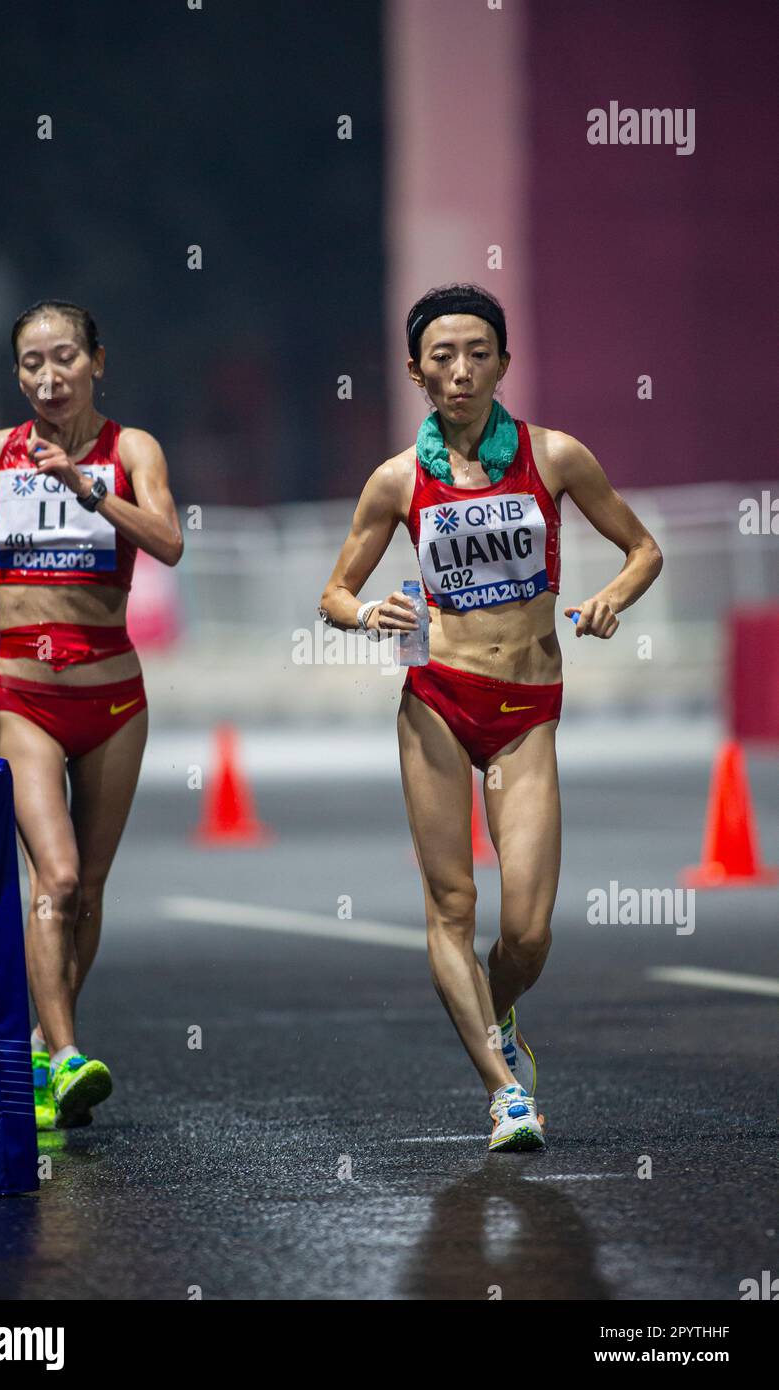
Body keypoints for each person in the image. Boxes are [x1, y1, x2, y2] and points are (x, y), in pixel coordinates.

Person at [319, 283, 663, 1151]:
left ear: (505, 363)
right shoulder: (397, 480)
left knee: (528, 930)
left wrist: (612, 597)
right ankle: (504, 1090)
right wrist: (368, 617)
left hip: (526, 711)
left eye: (478, 353)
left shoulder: (554, 458)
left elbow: (643, 547)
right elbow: (334, 592)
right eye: (442, 357)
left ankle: (496, 1014)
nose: (461, 371)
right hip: (436, 698)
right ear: (415, 372)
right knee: (451, 906)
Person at [0, 299, 184, 1130]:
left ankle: (41, 1047)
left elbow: (169, 542)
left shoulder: (130, 450)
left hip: (113, 699)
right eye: (31, 364)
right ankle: (68, 1055)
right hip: (23, 697)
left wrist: (87, 490)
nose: (47, 377)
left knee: (90, 890)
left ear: (97, 362)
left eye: (64, 358)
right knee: (54, 879)